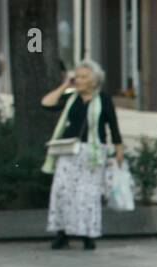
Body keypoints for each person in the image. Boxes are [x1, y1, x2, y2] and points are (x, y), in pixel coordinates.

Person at [40, 59, 124, 251]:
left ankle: (88, 235)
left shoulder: (103, 99)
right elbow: (46, 103)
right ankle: (62, 233)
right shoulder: (71, 98)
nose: (79, 80)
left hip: (93, 152)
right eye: (77, 76)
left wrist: (119, 149)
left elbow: (113, 125)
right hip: (69, 151)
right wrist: (64, 85)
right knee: (63, 191)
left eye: (83, 77)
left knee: (88, 195)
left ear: (94, 81)